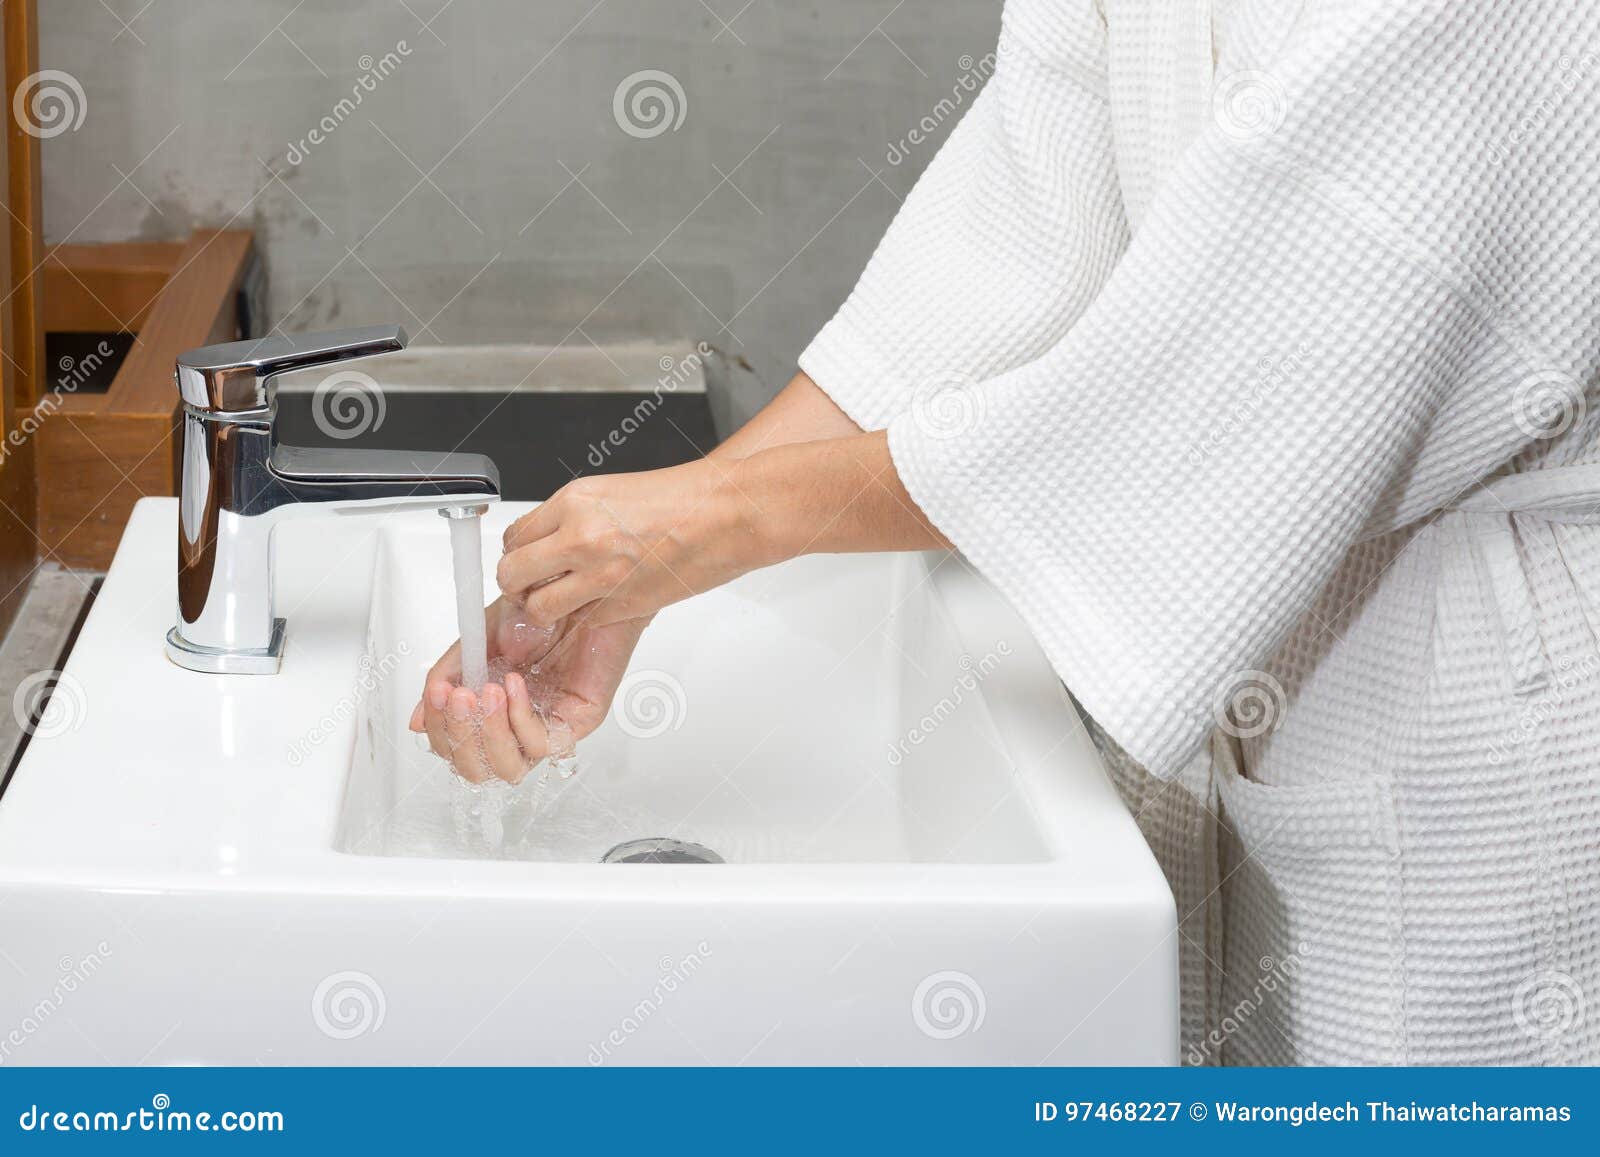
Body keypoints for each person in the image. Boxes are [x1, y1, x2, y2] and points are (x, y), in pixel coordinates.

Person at [413, 0, 1600, 1065]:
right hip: (1268, 687)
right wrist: (631, 581)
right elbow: (1004, 259)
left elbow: (1240, 384)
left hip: (1478, 736)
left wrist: (720, 522)